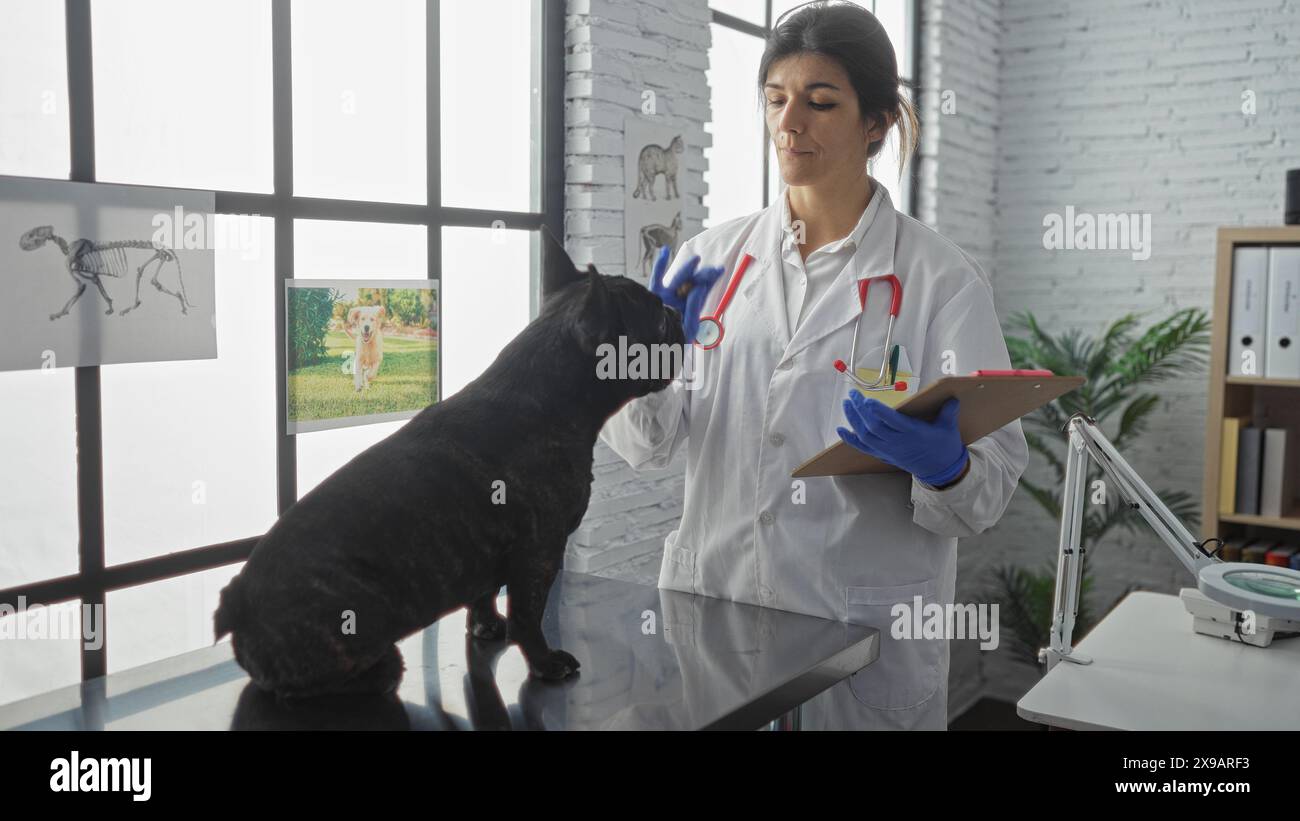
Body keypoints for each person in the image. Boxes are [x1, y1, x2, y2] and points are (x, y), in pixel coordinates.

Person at [599, 0, 1028, 730]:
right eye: (776, 99)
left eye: (819, 101)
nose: (789, 121)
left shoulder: (941, 283)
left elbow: (986, 491)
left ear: (876, 122)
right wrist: (648, 361)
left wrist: (945, 462)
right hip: (718, 622)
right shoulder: (711, 261)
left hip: (859, 649)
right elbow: (645, 443)